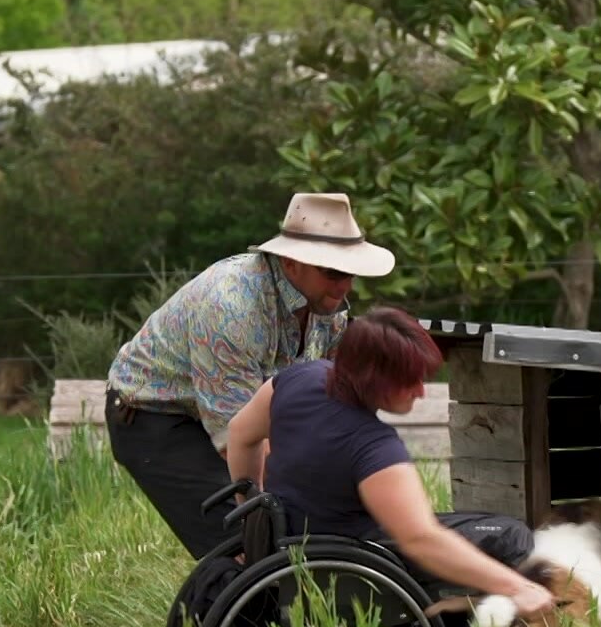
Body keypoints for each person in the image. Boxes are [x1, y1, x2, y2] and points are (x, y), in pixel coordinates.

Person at [105, 193, 393, 559]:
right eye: (334, 272)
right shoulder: (231, 309)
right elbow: (240, 436)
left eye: (351, 273)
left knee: (296, 526)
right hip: (155, 417)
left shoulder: (328, 308)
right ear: (292, 262)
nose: (345, 286)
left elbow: (324, 405)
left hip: (228, 416)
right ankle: (235, 609)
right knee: (247, 548)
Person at [224, 306, 556, 622]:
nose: (422, 392)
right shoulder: (372, 447)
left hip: (292, 543)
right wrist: (520, 586)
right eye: (412, 381)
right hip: (353, 560)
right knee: (510, 535)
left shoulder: (297, 379)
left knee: (482, 523)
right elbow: (420, 540)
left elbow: (239, 433)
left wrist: (254, 516)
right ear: (376, 377)